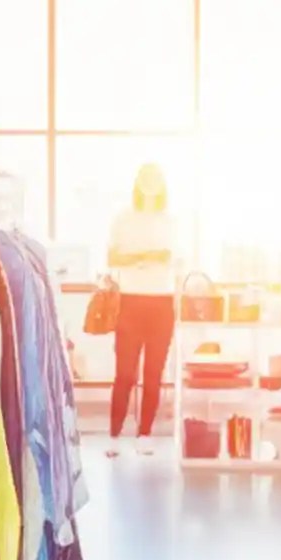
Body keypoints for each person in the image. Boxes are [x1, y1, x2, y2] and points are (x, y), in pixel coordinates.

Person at [106, 163, 176, 457]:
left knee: (153, 374)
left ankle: (145, 434)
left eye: (156, 178)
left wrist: (139, 258)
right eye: (146, 178)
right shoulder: (123, 218)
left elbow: (174, 259)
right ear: (137, 182)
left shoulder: (170, 220)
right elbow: (112, 258)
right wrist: (147, 256)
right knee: (124, 373)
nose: (151, 183)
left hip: (163, 301)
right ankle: (114, 435)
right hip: (130, 301)